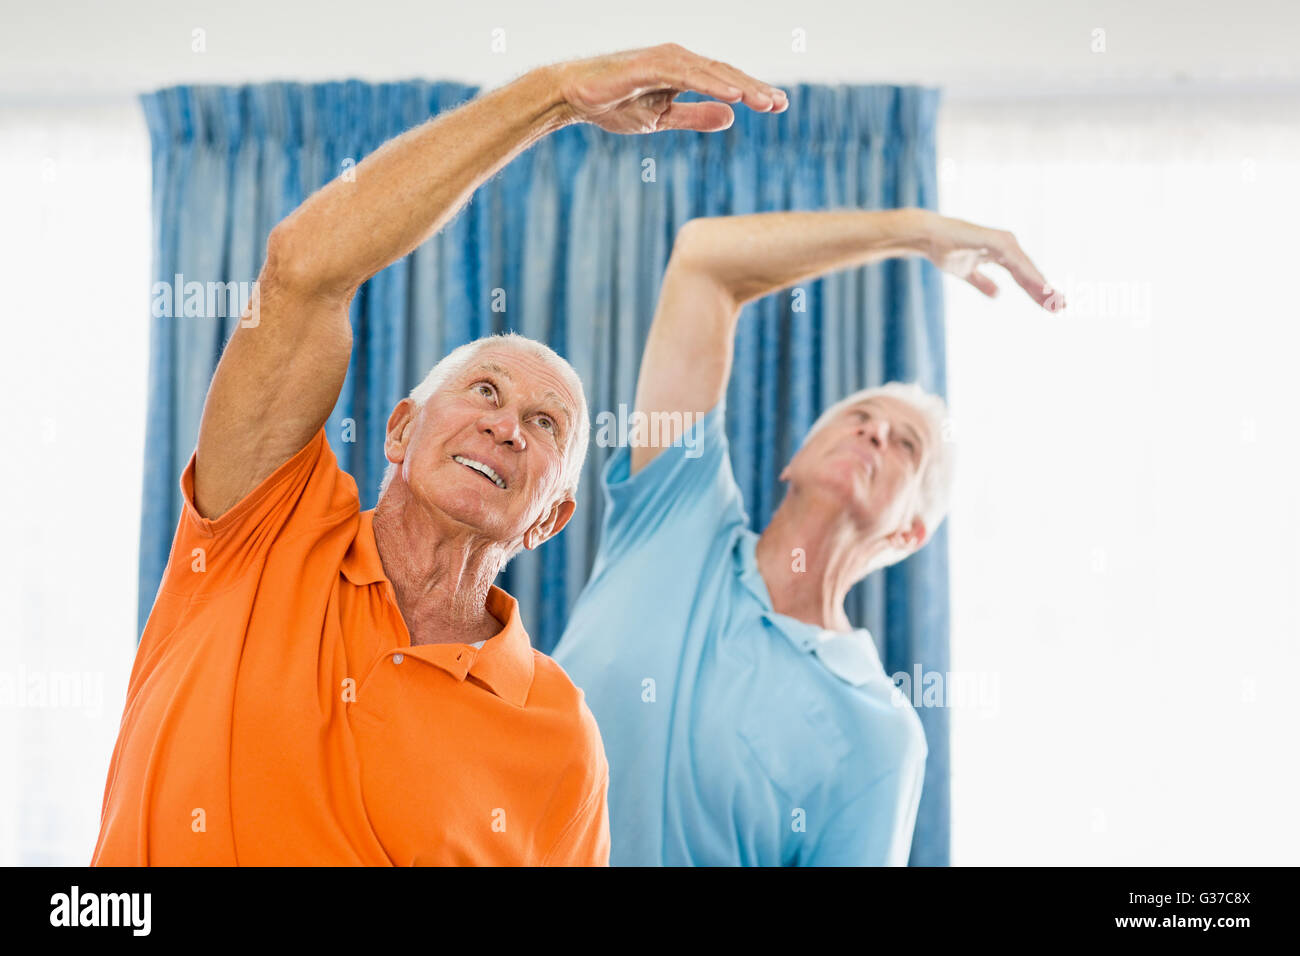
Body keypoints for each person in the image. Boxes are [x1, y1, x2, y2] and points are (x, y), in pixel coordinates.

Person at [91, 44, 790, 866]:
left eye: (546, 425)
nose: (507, 428)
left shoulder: (560, 736)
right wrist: (556, 97)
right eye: (485, 392)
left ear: (549, 520)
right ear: (398, 431)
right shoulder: (263, 525)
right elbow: (304, 270)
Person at [552, 207, 1063, 865]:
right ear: (793, 460)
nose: (874, 432)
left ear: (909, 535)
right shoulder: (674, 510)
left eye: (906, 444)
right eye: (858, 417)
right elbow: (704, 260)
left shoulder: (881, 736)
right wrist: (915, 232)